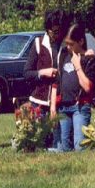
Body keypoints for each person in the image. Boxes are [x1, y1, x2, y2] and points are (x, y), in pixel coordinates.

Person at [23, 10, 69, 146]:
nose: (58, 35)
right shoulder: (38, 44)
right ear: (47, 29)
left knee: (59, 145)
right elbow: (26, 73)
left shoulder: (67, 45)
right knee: (39, 144)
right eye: (54, 31)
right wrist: (43, 72)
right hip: (39, 102)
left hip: (61, 103)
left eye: (60, 31)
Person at [52, 22, 95, 151]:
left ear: (81, 41)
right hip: (63, 107)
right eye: (66, 43)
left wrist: (77, 64)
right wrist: (53, 107)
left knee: (80, 148)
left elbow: (87, 87)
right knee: (62, 148)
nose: (68, 47)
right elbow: (56, 82)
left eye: (71, 44)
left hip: (80, 107)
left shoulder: (89, 59)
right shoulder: (63, 55)